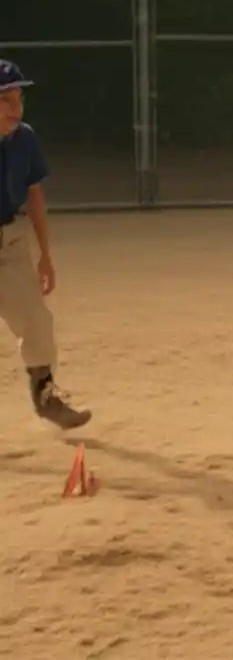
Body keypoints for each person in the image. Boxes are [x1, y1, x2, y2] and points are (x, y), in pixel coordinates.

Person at [0, 59, 91, 429]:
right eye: (5, 101)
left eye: (18, 99)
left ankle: (45, 396)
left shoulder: (25, 139)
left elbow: (34, 195)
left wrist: (46, 256)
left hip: (9, 243)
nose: (15, 108)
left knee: (38, 323)